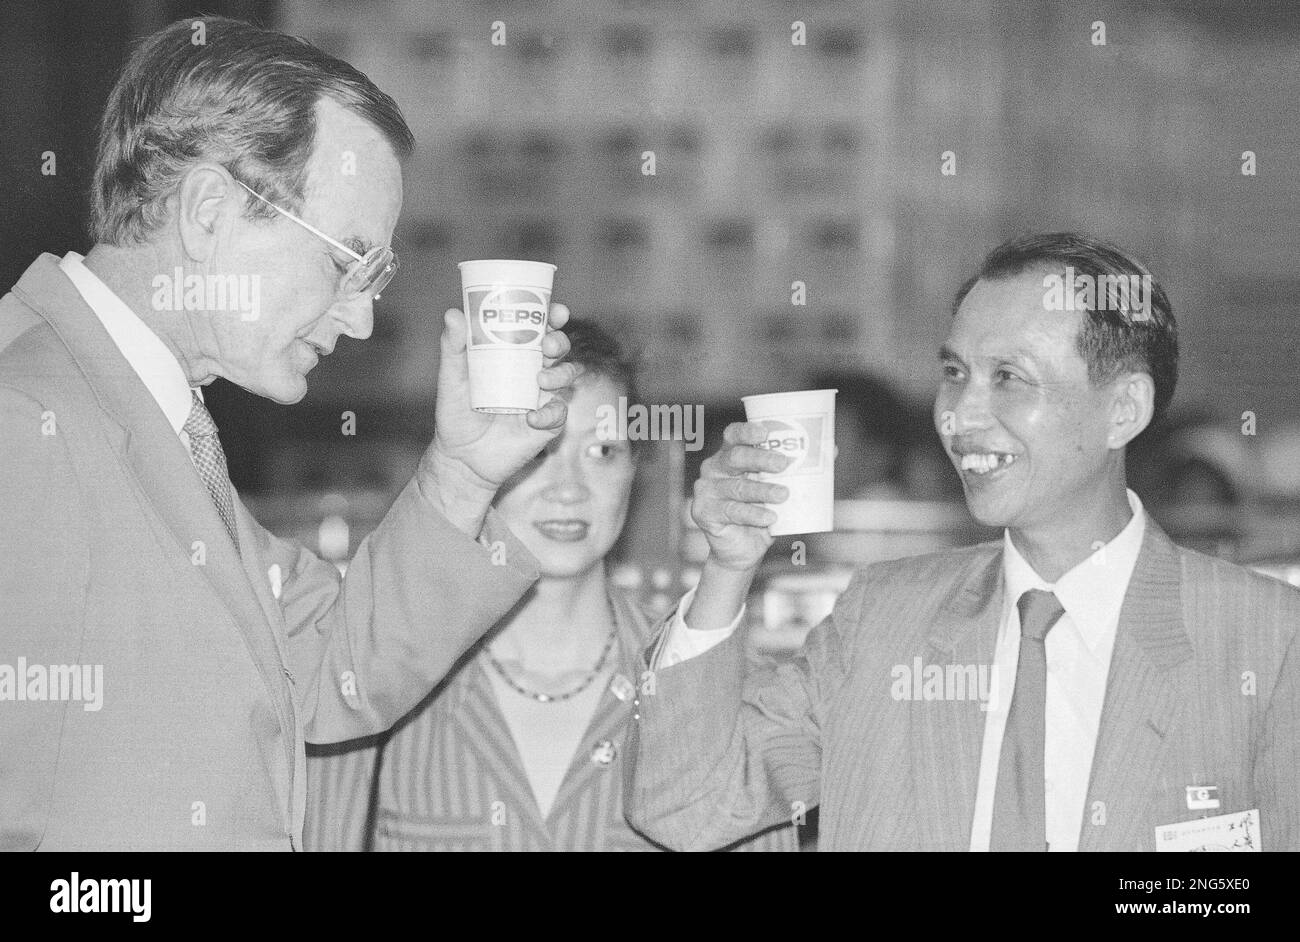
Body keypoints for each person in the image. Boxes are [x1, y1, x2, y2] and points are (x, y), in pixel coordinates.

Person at [0, 17, 581, 850]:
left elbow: (326, 666)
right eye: (347, 264)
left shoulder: (160, 420)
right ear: (208, 213)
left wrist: (464, 473)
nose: (361, 318)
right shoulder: (24, 420)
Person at [624, 232, 1300, 851]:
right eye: (954, 374)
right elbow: (689, 807)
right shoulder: (881, 622)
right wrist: (728, 566)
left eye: (1008, 377)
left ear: (1123, 408)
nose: (960, 416)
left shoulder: (1266, 642)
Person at [306, 322, 799, 851]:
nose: (569, 490)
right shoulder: (379, 679)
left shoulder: (712, 686)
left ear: (638, 468)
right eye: (539, 451)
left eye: (603, 451)